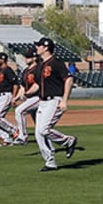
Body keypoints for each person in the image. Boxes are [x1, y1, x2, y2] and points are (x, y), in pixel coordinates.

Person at [31, 37, 78, 172]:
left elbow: (69, 79)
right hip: (43, 101)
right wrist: (26, 94)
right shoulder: (40, 65)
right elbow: (37, 85)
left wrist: (64, 100)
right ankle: (50, 162)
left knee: (44, 130)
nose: (37, 48)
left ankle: (68, 141)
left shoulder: (56, 63)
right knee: (39, 134)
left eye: (39, 45)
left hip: (54, 100)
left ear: (46, 47)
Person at [10, 49, 40, 145]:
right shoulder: (25, 71)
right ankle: (44, 139)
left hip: (39, 97)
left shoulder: (38, 69)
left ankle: (22, 137)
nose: (26, 59)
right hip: (31, 98)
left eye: (28, 57)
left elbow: (37, 85)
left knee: (19, 111)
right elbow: (22, 87)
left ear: (34, 58)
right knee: (39, 123)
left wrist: (27, 93)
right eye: (26, 57)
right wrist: (16, 98)